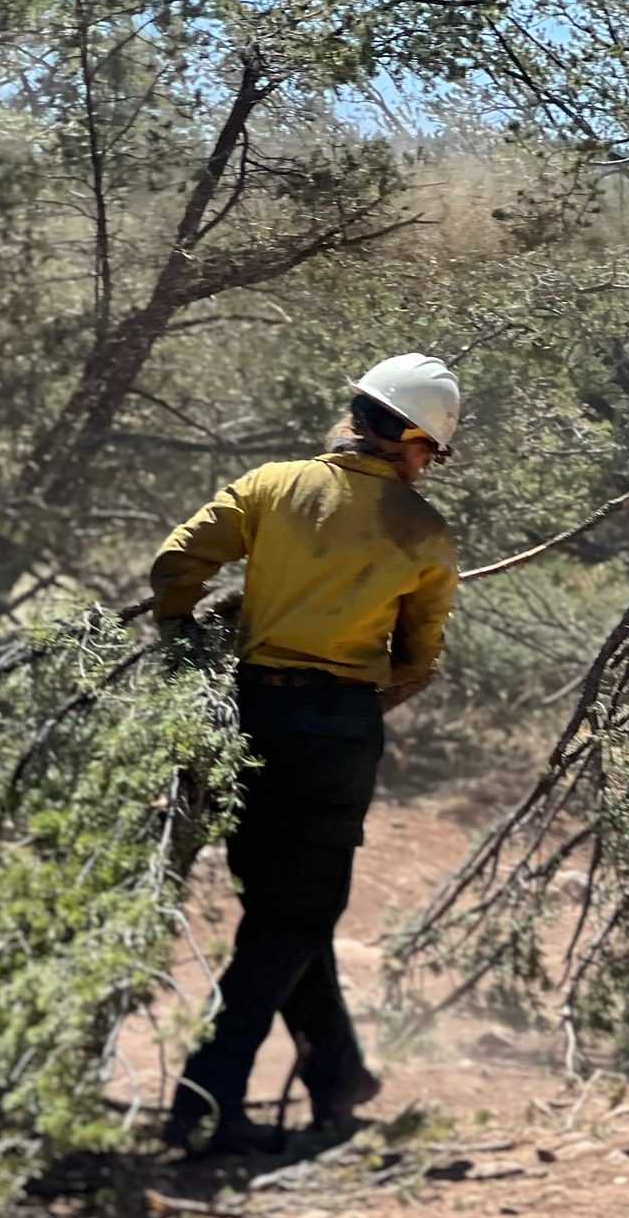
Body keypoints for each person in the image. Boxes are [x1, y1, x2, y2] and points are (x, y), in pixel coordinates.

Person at [150, 354, 462, 1152]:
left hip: (250, 718)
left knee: (285, 908)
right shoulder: (424, 532)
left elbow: (175, 565)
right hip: (339, 732)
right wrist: (355, 700)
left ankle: (337, 1076)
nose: (429, 465)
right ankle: (205, 1098)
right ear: (410, 441)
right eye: (432, 450)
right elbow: (418, 660)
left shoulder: (268, 485)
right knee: (294, 917)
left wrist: (186, 639)